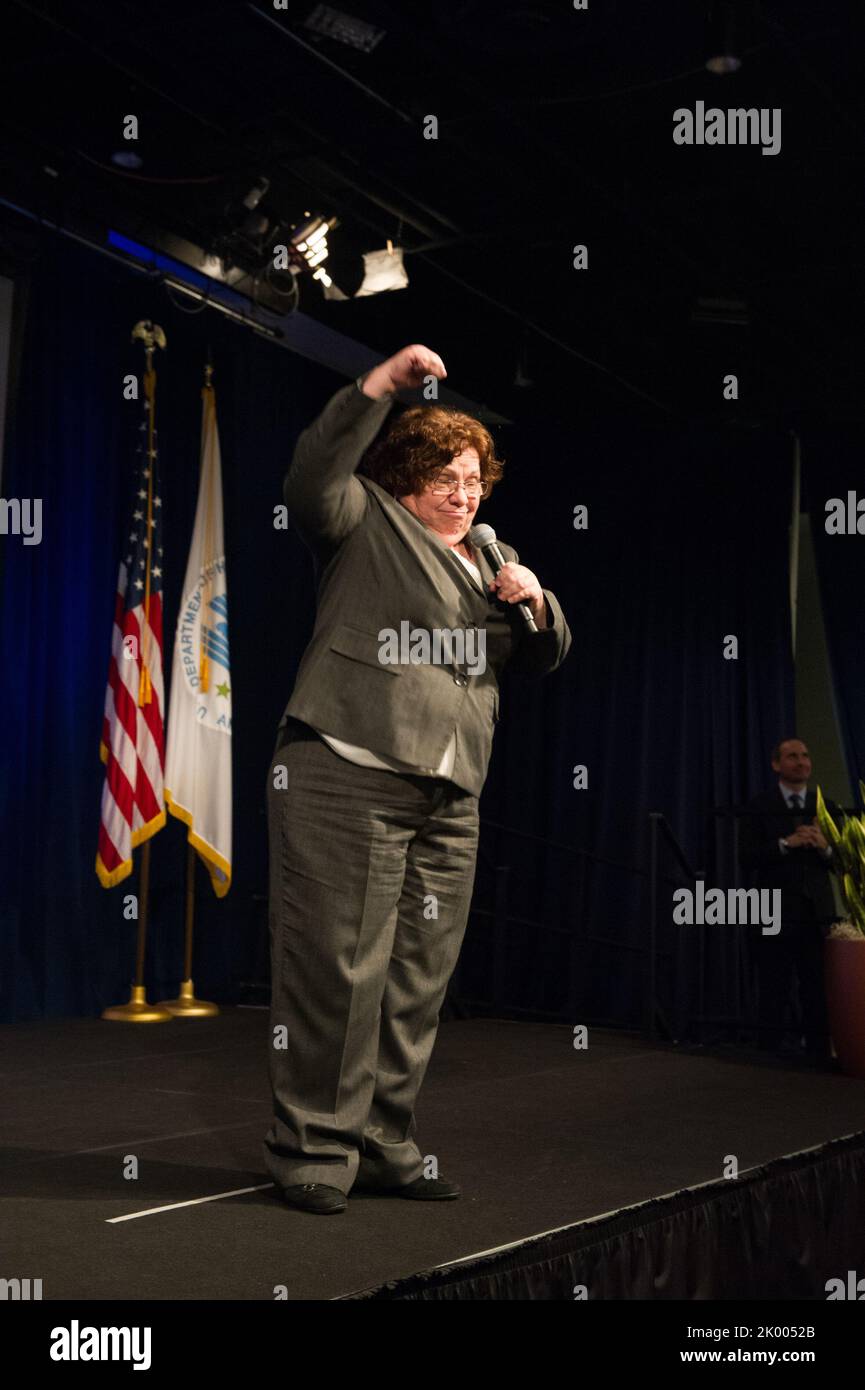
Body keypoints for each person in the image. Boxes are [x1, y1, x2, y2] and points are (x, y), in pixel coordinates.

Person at [263, 344, 572, 1213]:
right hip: (347, 768)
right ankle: (314, 1148)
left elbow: (542, 656)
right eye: (444, 473)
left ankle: (381, 1138)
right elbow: (309, 475)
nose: (464, 491)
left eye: (474, 477)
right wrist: (375, 388)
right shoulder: (363, 517)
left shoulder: (491, 555)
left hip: (449, 790)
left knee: (416, 980)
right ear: (404, 475)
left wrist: (535, 602)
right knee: (337, 971)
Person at [738, 736, 839, 1068]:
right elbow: (746, 856)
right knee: (774, 982)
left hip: (816, 913)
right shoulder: (759, 805)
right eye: (793, 756)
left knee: (816, 984)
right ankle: (769, 1053)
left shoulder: (827, 806)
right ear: (776, 764)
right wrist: (786, 843)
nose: (802, 761)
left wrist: (824, 845)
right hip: (775, 910)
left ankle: (818, 1053)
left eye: (806, 755)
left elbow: (843, 862)